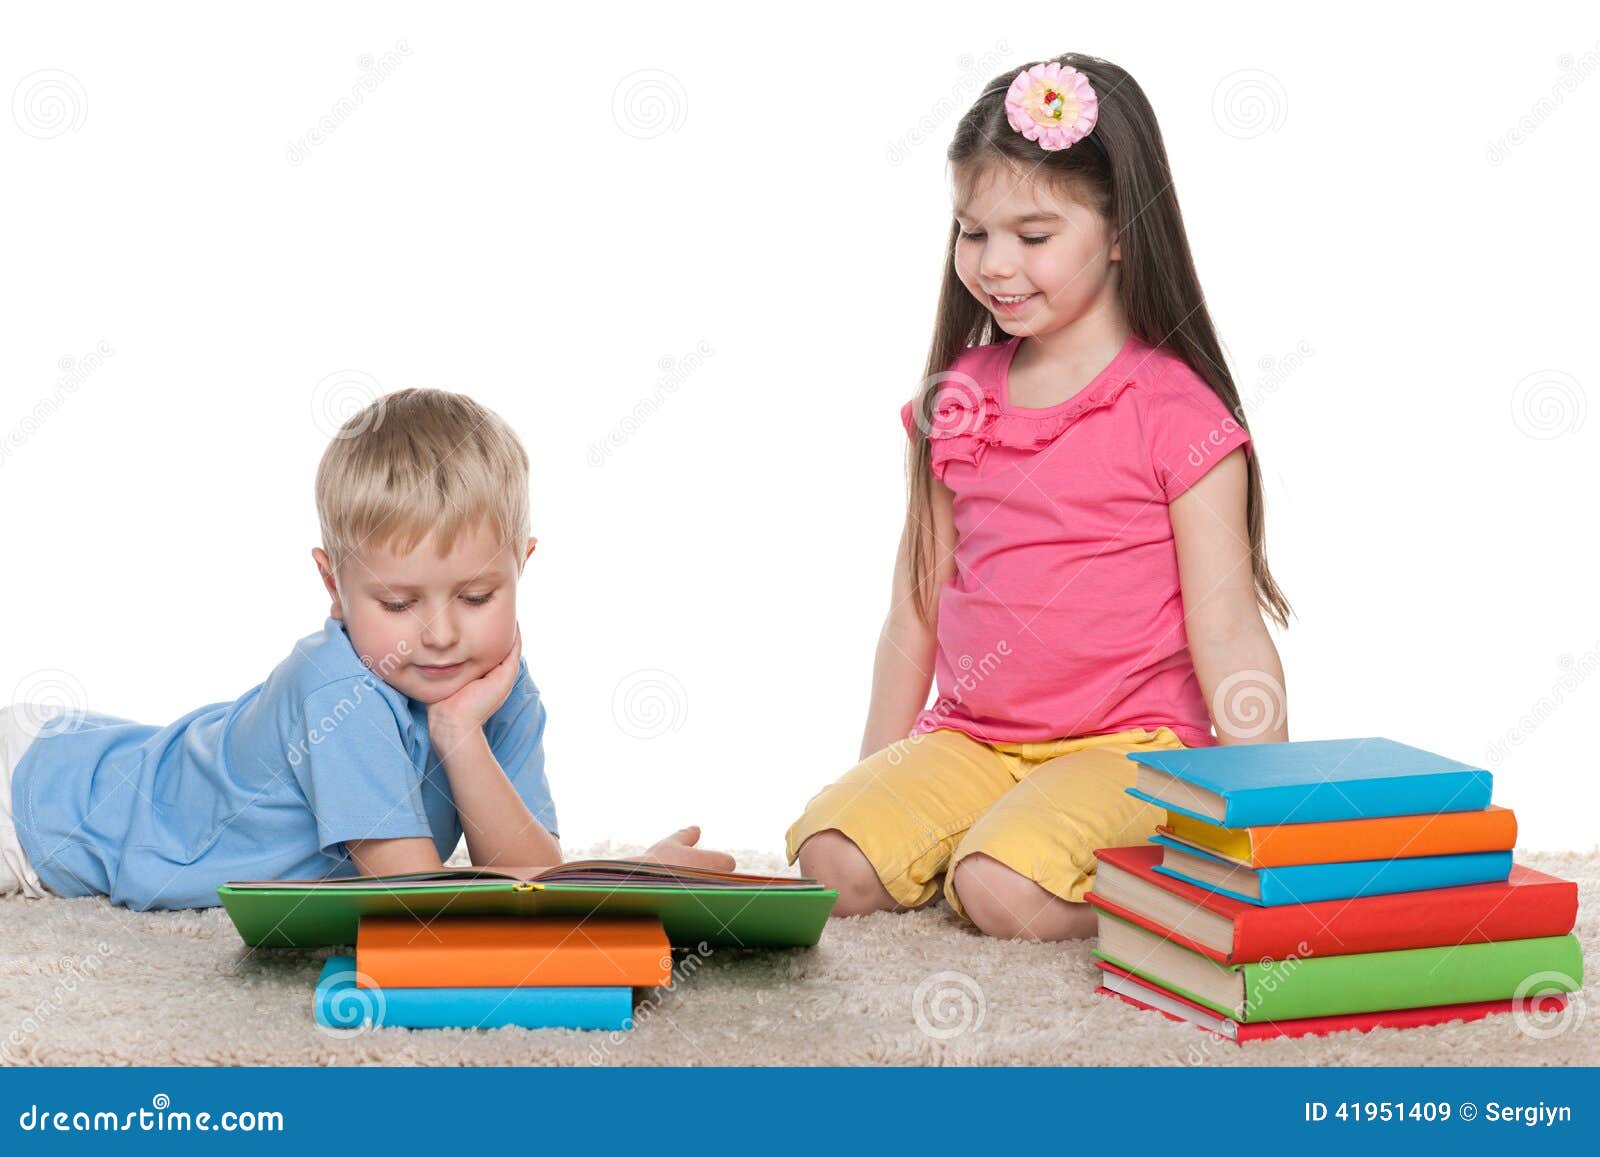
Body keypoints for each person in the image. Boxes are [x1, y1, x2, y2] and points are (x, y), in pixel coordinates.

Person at [786, 54, 1292, 940]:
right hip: (972, 739)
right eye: (972, 231)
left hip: (1129, 750)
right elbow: (917, 605)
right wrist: (881, 776)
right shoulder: (961, 398)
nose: (994, 264)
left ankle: (1093, 864)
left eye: (1033, 234)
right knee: (834, 859)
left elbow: (1227, 630)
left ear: (1122, 231)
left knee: (1000, 890)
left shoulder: (1177, 412)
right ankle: (993, 835)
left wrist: (1272, 821)